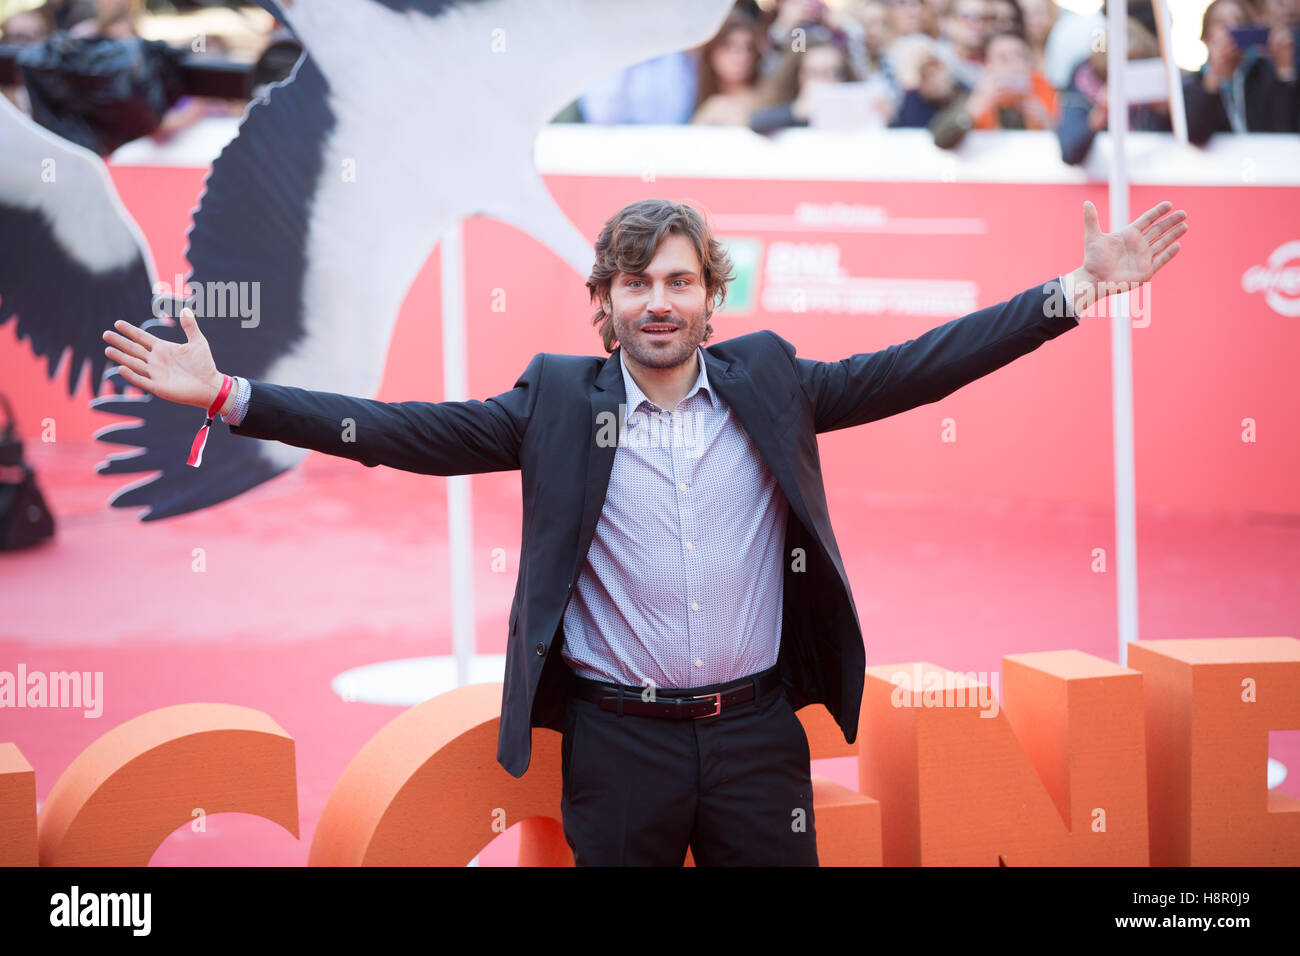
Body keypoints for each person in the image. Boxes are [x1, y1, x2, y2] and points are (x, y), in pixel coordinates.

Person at [102, 197, 1189, 866]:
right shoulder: (558, 402)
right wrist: (229, 397)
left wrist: (1077, 289)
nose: (657, 300)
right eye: (636, 283)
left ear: (712, 297)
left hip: (761, 736)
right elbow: (402, 432)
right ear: (605, 301)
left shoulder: (773, 381)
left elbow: (918, 366)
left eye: (679, 281)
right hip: (617, 747)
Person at [1057, 16, 1173, 165]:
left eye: (1134, 64)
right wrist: (1101, 113)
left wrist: (1164, 111)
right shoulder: (1081, 91)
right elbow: (1069, 152)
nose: (1128, 74)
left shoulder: (1154, 97)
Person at [1181, 0, 1298, 143]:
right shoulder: (1192, 85)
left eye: (1238, 22)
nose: (1231, 29)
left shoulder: (1265, 74)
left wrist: (1284, 68)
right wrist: (1214, 76)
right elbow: (1195, 136)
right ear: (1206, 35)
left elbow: (1287, 127)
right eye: (1221, 23)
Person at [930, 27, 1058, 148]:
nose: (1015, 64)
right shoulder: (973, 98)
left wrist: (1048, 123)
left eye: (1021, 56)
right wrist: (971, 114)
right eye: (1004, 59)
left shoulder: (1049, 94)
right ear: (988, 65)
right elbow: (940, 140)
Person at [748, 29, 864, 132]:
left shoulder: (856, 107)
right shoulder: (790, 104)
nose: (826, 79)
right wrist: (796, 112)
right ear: (798, 74)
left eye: (835, 72)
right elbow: (757, 123)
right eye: (815, 72)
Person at [691, 10, 763, 125]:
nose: (741, 56)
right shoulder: (695, 92)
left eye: (748, 47)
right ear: (711, 50)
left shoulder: (765, 97)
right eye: (729, 46)